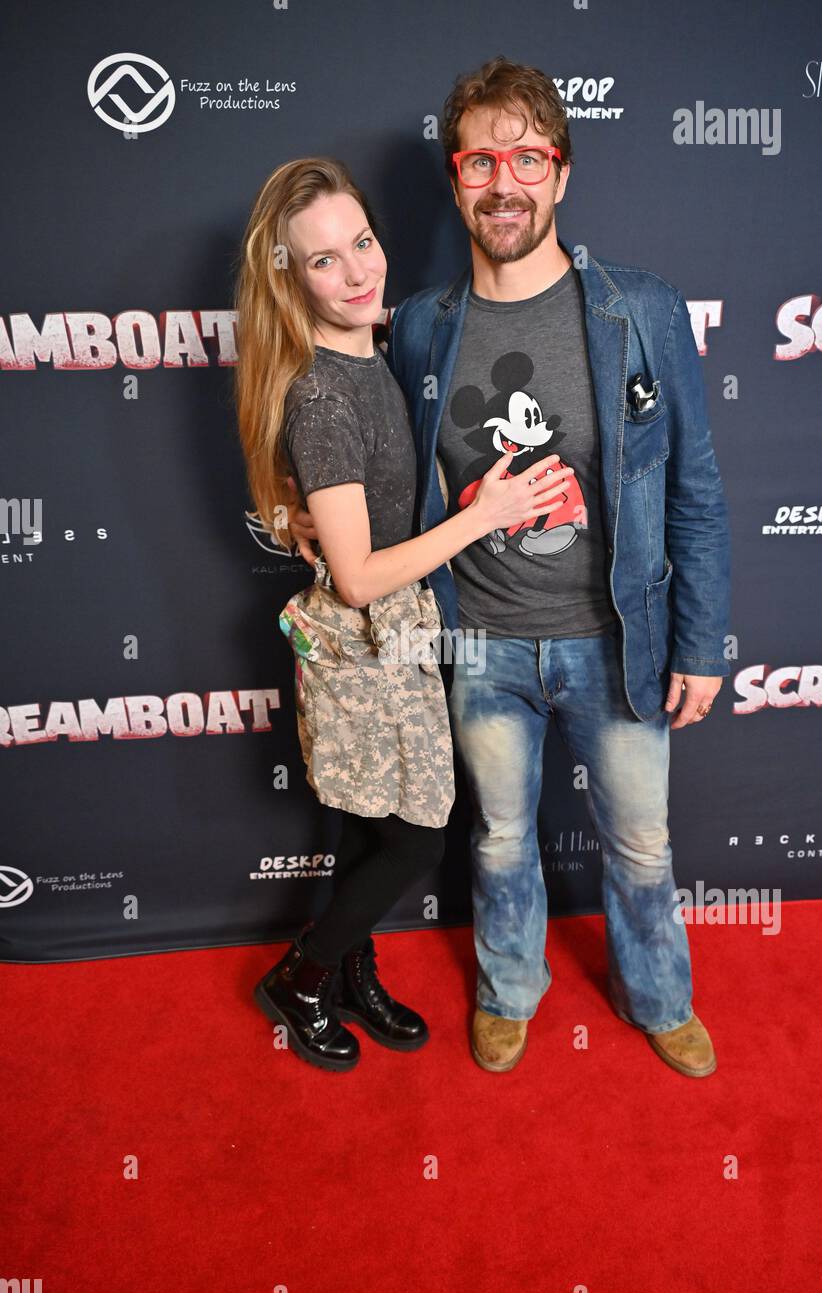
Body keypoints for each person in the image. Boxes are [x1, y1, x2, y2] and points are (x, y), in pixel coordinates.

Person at [286, 58, 733, 1080]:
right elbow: (366, 454)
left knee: (644, 848)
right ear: (456, 181)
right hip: (478, 645)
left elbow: (696, 490)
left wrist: (702, 642)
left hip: (617, 641)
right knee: (495, 840)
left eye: (528, 156)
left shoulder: (645, 312)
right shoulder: (424, 327)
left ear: (562, 174)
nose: (505, 180)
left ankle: (661, 997)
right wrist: (302, 518)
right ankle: (507, 990)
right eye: (482, 158)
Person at [233, 155, 574, 1072]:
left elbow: (346, 516)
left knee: (365, 824)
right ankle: (300, 980)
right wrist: (483, 519)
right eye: (325, 261)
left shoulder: (369, 352)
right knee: (418, 835)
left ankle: (347, 971)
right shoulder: (323, 394)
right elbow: (356, 579)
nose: (357, 271)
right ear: (290, 279)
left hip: (398, 634)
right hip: (365, 637)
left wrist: (296, 513)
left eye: (364, 243)